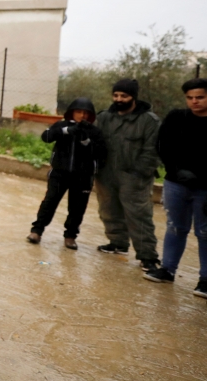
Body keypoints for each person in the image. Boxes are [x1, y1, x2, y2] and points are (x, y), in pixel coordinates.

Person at [143, 78, 207, 298]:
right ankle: (167, 270)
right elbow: (163, 145)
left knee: (205, 232)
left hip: (205, 188)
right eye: (190, 98)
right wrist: (176, 170)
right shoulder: (176, 117)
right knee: (175, 227)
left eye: (200, 97)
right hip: (175, 184)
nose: (194, 101)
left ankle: (205, 280)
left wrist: (200, 176)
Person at [95, 78, 161, 271]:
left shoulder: (148, 121)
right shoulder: (105, 118)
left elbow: (153, 150)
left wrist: (140, 172)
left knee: (138, 215)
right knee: (108, 209)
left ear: (133, 97)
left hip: (134, 176)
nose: (119, 99)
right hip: (106, 173)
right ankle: (117, 243)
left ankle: (147, 256)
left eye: (124, 95)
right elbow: (95, 141)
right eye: (116, 95)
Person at [27, 98, 106, 249]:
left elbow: (101, 152)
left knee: (77, 208)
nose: (82, 115)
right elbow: (46, 137)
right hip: (59, 173)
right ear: (71, 112)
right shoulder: (61, 125)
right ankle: (37, 231)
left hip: (83, 177)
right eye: (78, 112)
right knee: (49, 202)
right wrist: (65, 131)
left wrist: (87, 142)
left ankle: (70, 236)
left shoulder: (94, 132)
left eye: (85, 113)